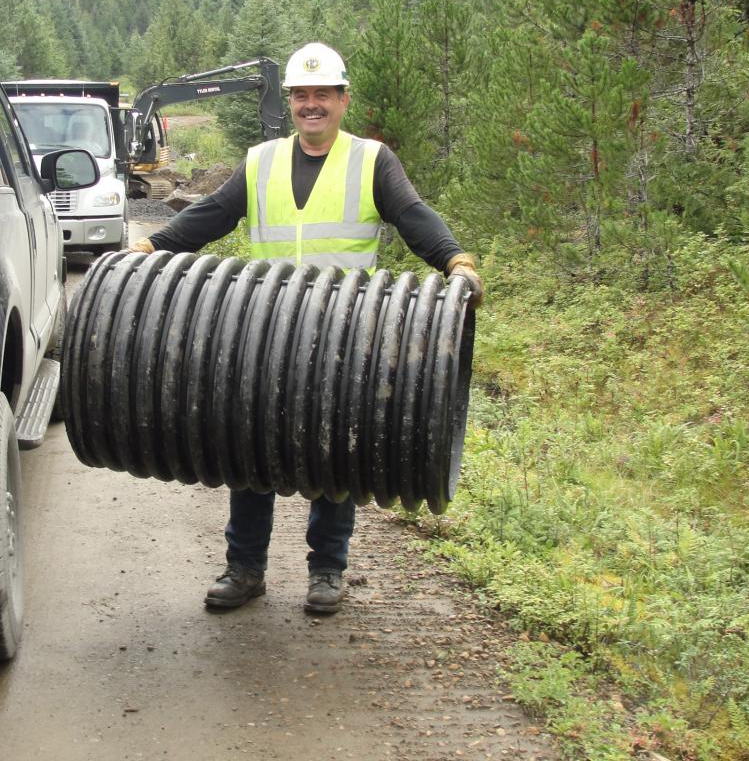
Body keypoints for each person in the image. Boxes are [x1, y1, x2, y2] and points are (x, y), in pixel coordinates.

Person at [126, 42, 483, 615]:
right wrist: (151, 245)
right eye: (301, 96)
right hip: (265, 332)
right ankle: (245, 569)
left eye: (323, 94)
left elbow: (413, 216)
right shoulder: (261, 160)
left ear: (343, 100)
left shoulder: (372, 161)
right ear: (289, 102)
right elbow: (212, 215)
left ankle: (327, 571)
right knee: (249, 449)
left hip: (342, 338)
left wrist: (454, 260)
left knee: (333, 456)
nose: (311, 104)